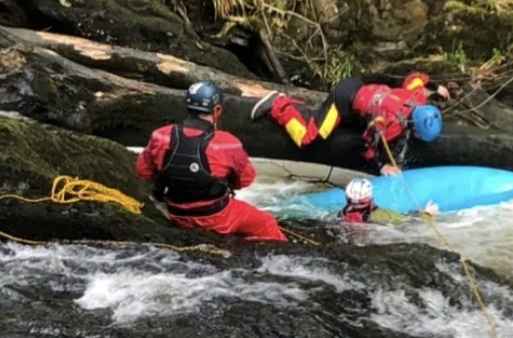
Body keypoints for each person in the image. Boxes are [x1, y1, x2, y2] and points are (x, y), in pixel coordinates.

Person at [135, 81, 288, 242]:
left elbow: (143, 171)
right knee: (266, 222)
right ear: (217, 110)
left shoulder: (160, 135)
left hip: (175, 213)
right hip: (217, 217)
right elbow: (245, 180)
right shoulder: (228, 143)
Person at [249, 72, 448, 176]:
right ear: (413, 125)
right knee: (309, 139)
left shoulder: (418, 96)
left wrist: (436, 87)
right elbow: (366, 144)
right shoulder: (388, 124)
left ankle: (297, 106)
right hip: (343, 99)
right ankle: (278, 105)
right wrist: (381, 167)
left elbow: (416, 78)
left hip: (361, 88)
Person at [339, 178, 439, 224]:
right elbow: (409, 221)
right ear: (369, 196)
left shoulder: (340, 215)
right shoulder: (382, 215)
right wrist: (427, 213)